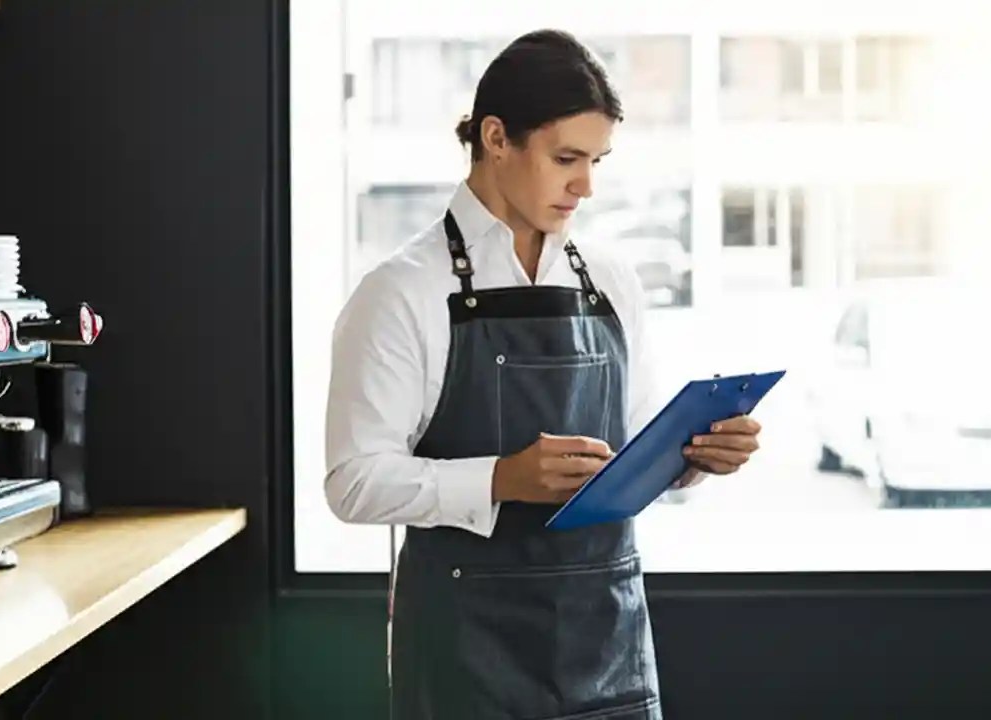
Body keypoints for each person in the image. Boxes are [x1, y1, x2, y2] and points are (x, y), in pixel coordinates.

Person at [324, 29, 764, 720]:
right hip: (467, 664)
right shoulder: (400, 292)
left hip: (605, 648)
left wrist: (695, 459)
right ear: (496, 138)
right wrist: (502, 478)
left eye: (596, 160)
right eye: (566, 158)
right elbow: (352, 484)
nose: (585, 185)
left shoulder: (613, 281)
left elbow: (637, 449)